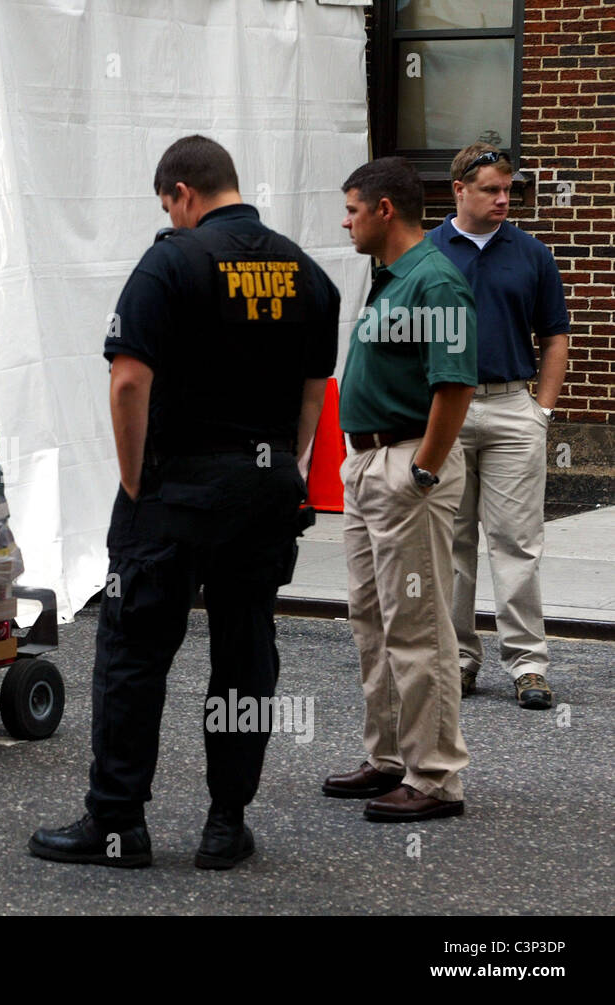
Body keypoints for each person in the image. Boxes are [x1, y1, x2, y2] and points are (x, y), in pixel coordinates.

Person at [28, 135, 340, 870]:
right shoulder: (309, 275)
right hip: (260, 494)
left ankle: (118, 825)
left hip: (173, 491)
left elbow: (129, 379)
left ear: (180, 194)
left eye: (166, 201)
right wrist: (281, 471)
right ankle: (226, 823)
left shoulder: (170, 261)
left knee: (135, 651)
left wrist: (136, 479)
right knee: (246, 651)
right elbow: (309, 398)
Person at [322, 157, 478, 823]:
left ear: (385, 210)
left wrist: (422, 471)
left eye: (353, 208)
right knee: (372, 617)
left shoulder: (436, 280)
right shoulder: (390, 277)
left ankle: (436, 777)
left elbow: (456, 384)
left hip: (406, 465)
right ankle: (388, 756)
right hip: (369, 466)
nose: (345, 219)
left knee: (417, 627)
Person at [428, 143, 570, 710]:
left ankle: (529, 664)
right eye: (491, 189)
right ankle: (458, 659)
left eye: (509, 190)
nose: (503, 199)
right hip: (446, 413)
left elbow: (554, 335)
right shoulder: (425, 252)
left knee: (517, 542)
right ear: (458, 190)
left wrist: (543, 411)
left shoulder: (532, 254)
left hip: (513, 408)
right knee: (451, 543)